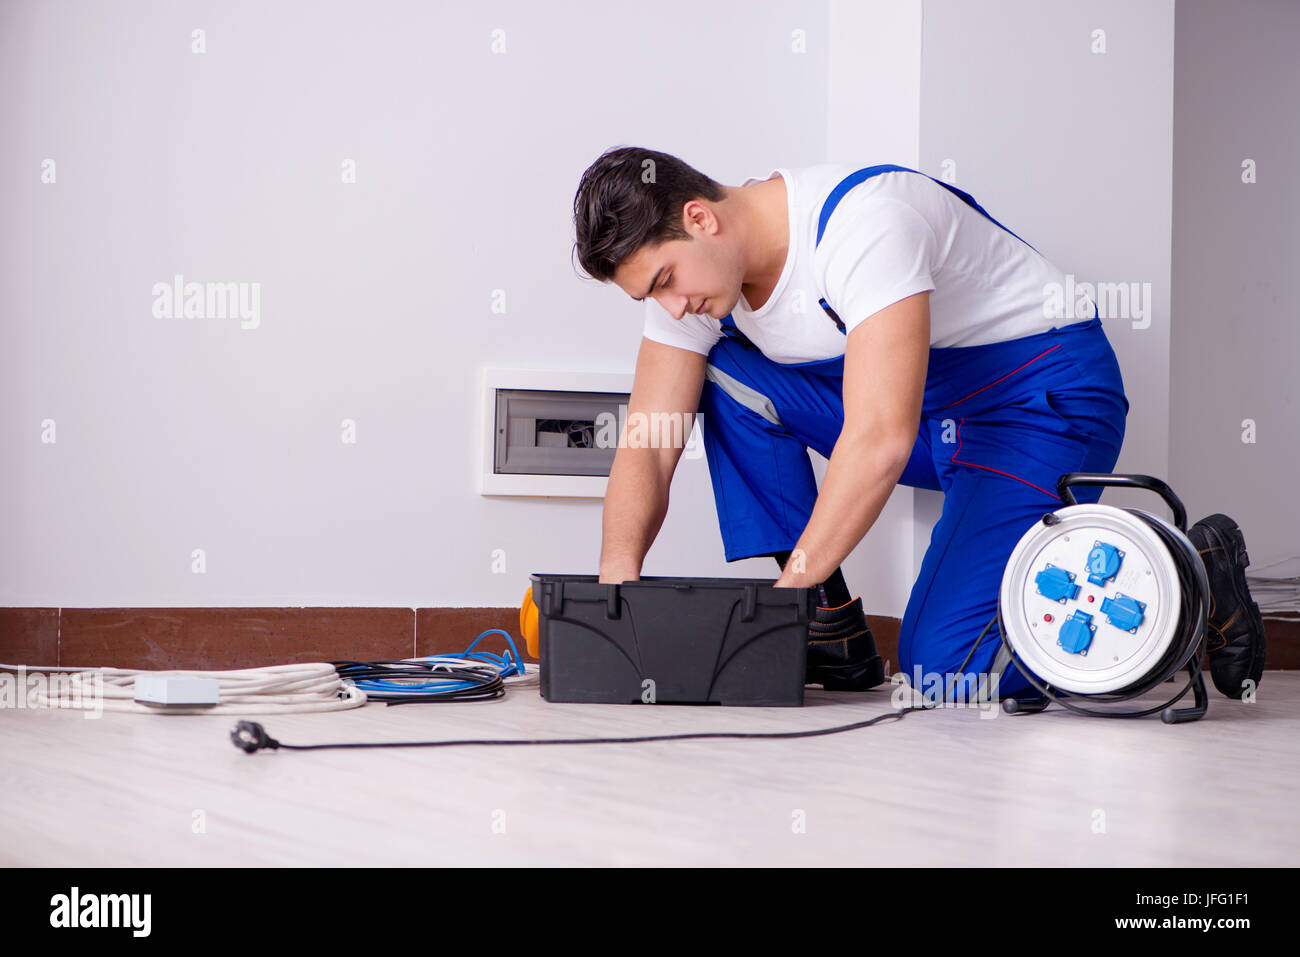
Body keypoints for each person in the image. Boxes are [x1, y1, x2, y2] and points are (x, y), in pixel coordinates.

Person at [571, 146, 1265, 701]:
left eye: (663, 281)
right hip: (931, 412)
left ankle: (1190, 578)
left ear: (699, 218)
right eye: (649, 294)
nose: (669, 306)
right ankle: (827, 632)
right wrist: (615, 587)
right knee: (721, 376)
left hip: (1035, 400)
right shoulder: (695, 289)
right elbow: (651, 442)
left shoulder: (862, 225)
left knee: (947, 670)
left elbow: (878, 440)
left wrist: (770, 613)